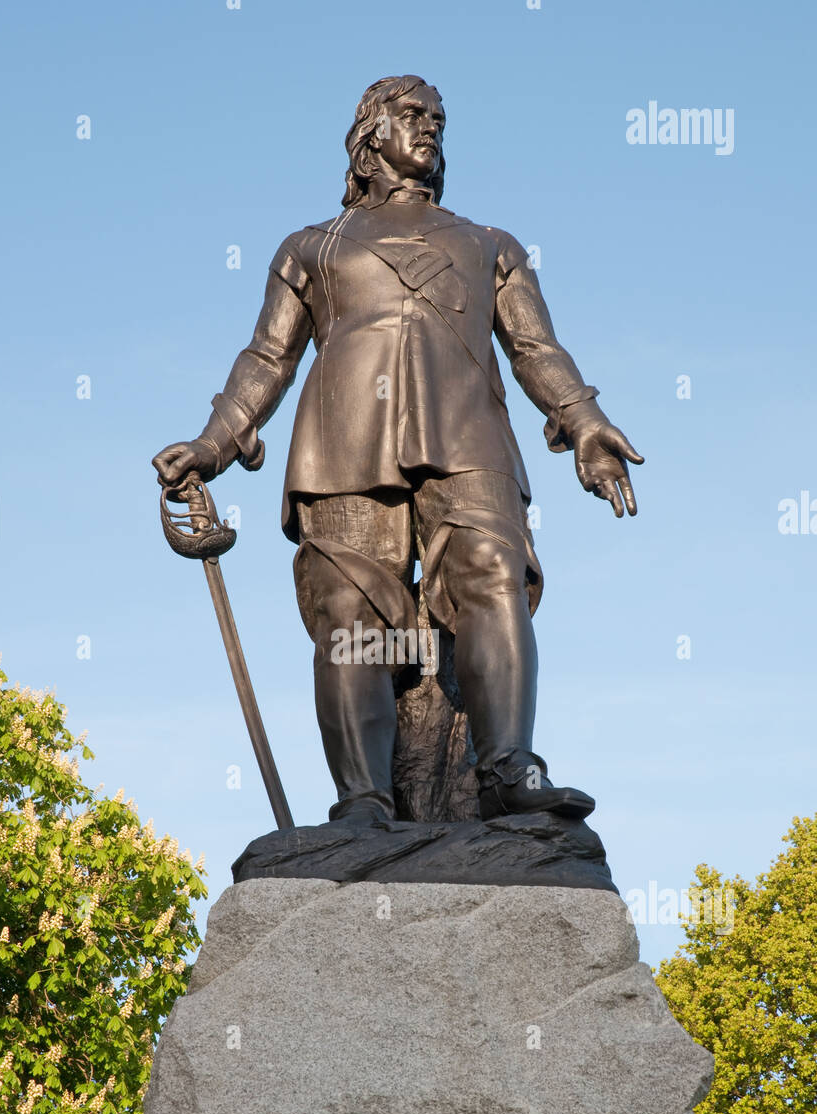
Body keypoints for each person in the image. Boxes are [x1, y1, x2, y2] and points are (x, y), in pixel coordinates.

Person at [153, 75, 644, 825]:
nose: (430, 130)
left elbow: (534, 348)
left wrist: (583, 420)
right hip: (342, 445)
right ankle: (362, 802)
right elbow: (267, 358)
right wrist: (212, 443)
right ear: (367, 135)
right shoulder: (311, 247)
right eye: (412, 116)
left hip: (468, 436)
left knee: (490, 576)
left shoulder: (490, 245)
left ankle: (508, 769)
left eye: (438, 120)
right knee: (350, 613)